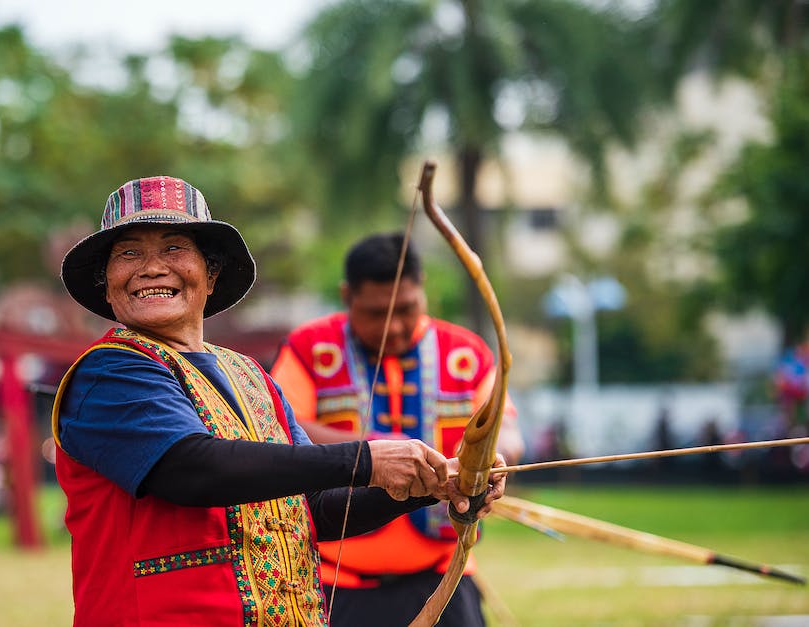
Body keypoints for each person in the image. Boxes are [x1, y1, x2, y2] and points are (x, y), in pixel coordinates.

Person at [51, 176, 508, 626]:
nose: (151, 267)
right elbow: (190, 468)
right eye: (129, 253)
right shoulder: (110, 371)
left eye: (174, 248)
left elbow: (316, 507)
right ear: (107, 284)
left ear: (211, 274)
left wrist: (428, 485)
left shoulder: (250, 375)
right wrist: (367, 459)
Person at [270, 232, 524, 627]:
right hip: (336, 583)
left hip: (444, 575)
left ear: (422, 289)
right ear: (346, 296)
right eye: (376, 313)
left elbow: (504, 428)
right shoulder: (310, 348)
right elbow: (282, 428)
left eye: (407, 308)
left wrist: (489, 460)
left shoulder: (465, 352)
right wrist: (378, 453)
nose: (395, 327)